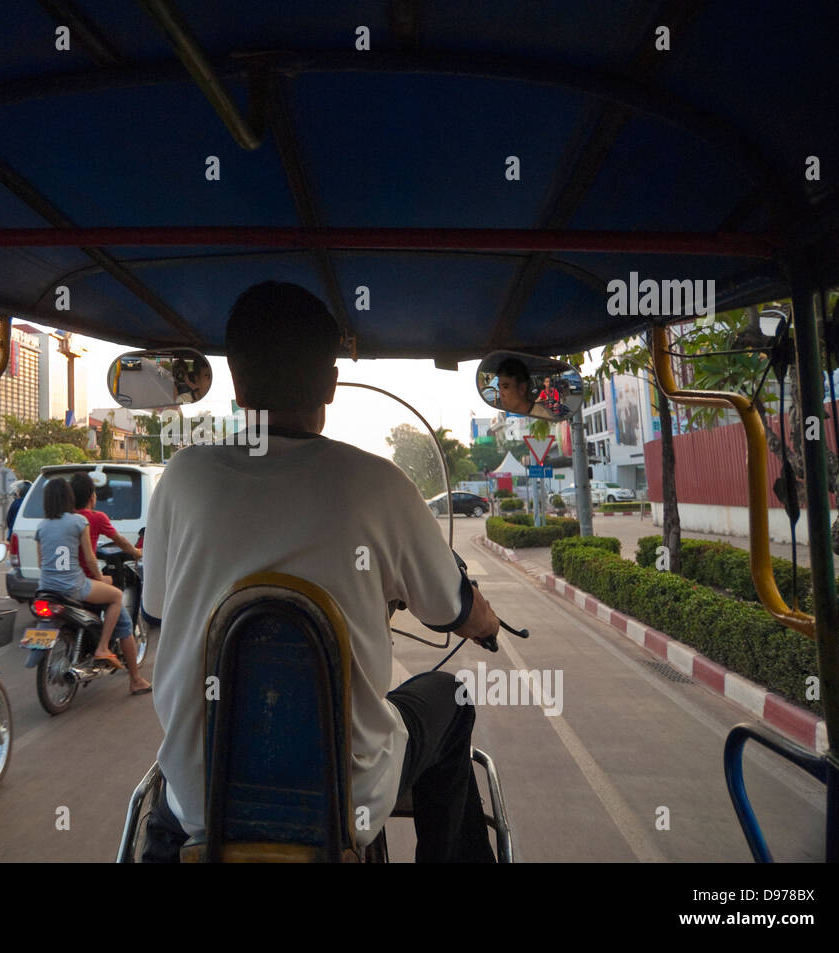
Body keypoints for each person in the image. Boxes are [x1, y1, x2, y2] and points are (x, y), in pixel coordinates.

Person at [141, 281, 500, 863]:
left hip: (198, 807)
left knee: (161, 806)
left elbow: (156, 611)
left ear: (234, 381)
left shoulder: (182, 477)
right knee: (452, 698)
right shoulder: (378, 484)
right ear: (331, 384)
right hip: (349, 801)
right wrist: (485, 622)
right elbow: (453, 608)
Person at [68, 471, 150, 695]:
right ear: (92, 496)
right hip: (85, 582)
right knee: (122, 618)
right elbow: (120, 541)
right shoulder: (95, 518)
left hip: (61, 583)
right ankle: (135, 679)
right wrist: (136, 552)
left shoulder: (65, 518)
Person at [34, 477, 126, 671]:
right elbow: (91, 559)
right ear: (69, 497)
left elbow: (41, 563)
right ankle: (102, 647)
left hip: (46, 588)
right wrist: (100, 579)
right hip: (73, 586)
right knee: (116, 596)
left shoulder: (41, 526)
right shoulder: (78, 521)